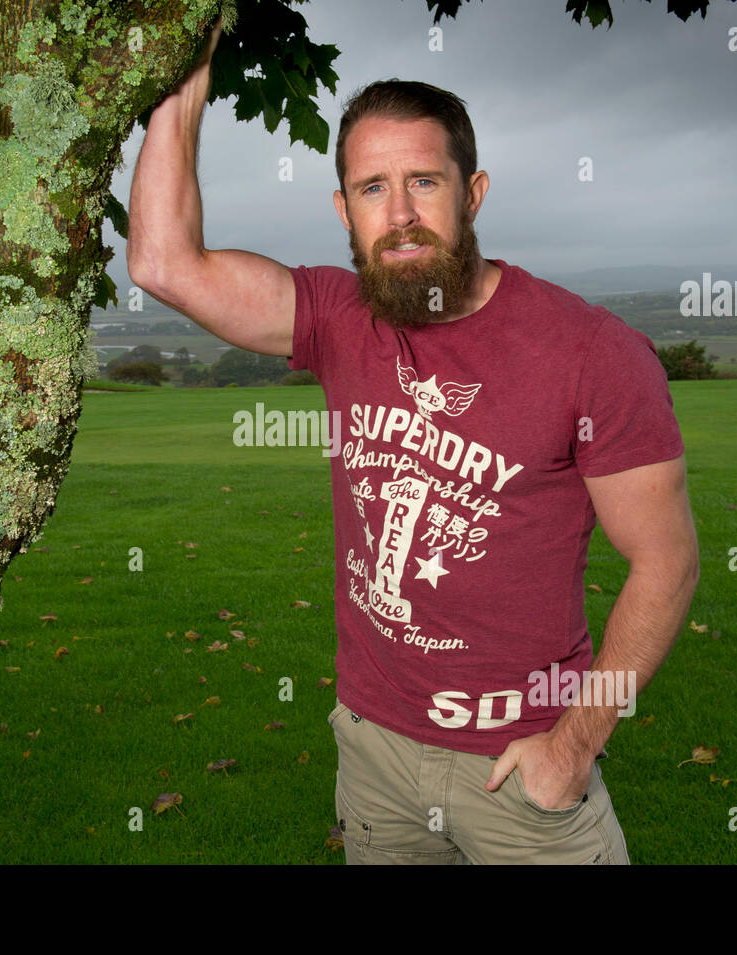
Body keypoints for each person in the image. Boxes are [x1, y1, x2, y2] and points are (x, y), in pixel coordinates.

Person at [127, 18, 700, 864]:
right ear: (343, 209)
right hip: (374, 754)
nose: (399, 216)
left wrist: (575, 745)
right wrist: (185, 78)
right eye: (371, 189)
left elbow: (669, 564)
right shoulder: (337, 318)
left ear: (473, 194)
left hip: (521, 762)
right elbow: (162, 264)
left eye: (424, 182)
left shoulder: (591, 354)